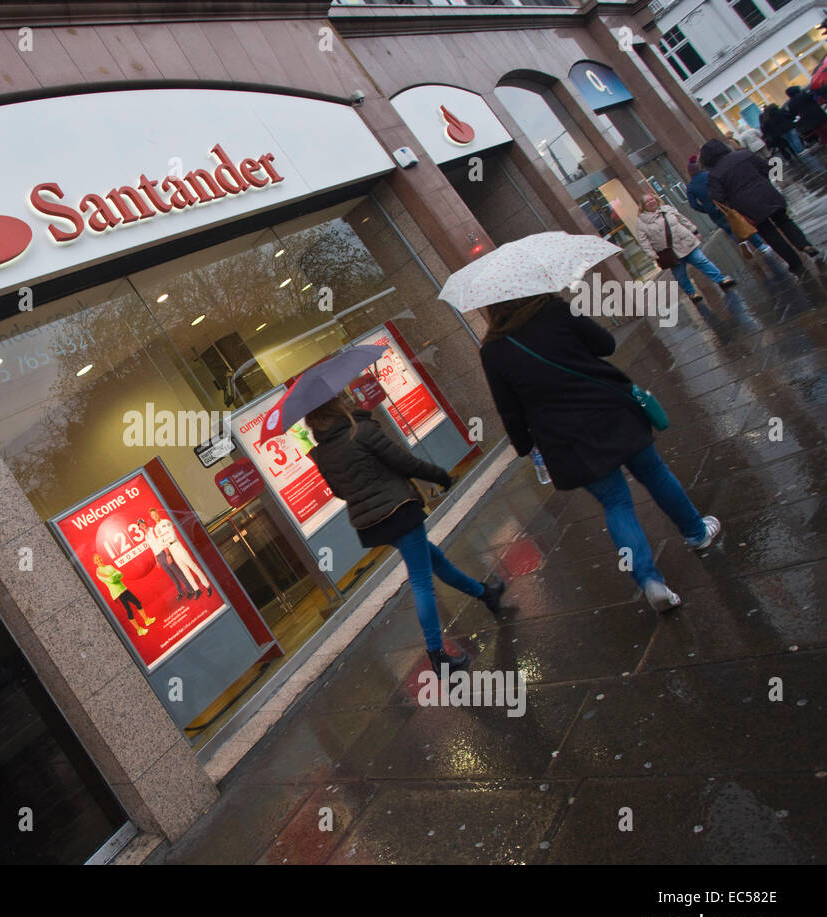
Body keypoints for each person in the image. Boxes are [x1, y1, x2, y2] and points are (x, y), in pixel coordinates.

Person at [478, 293, 721, 613]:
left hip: (566, 438)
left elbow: (509, 409)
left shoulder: (492, 350)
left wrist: (525, 446)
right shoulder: (553, 309)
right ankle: (697, 533)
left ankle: (650, 581)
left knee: (616, 503)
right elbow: (605, 344)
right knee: (655, 473)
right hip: (609, 410)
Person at [306, 395, 503, 674]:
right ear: (336, 407)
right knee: (422, 582)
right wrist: (441, 476)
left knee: (435, 560)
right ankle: (438, 656)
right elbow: (405, 462)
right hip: (399, 511)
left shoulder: (323, 453)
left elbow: (340, 491)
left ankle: (485, 594)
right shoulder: (360, 431)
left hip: (373, 523)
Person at [702, 137, 821, 276]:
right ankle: (804, 244)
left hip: (747, 207)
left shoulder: (714, 175)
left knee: (769, 233)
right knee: (784, 221)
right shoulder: (744, 154)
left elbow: (718, 197)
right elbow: (767, 169)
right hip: (767, 194)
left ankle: (794, 262)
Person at [633, 191, 736, 303]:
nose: (650, 202)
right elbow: (643, 241)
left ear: (656, 199)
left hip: (685, 242)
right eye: (647, 202)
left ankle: (721, 280)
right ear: (643, 206)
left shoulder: (667, 209)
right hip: (670, 252)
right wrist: (651, 254)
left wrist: (694, 230)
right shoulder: (641, 222)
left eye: (651, 199)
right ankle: (692, 294)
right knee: (680, 275)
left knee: (702, 261)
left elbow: (682, 220)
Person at [685, 156, 768, 253]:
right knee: (741, 224)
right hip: (725, 205)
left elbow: (694, 205)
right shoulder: (710, 174)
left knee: (729, 229)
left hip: (713, 212)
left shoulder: (690, 187)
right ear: (699, 167)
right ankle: (761, 246)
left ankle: (741, 243)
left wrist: (706, 209)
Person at [149, 507, 212, 598]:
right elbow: (160, 542)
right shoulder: (156, 529)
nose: (155, 516)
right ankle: (196, 590)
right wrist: (165, 541)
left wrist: (165, 540)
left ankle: (207, 585)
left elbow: (172, 536)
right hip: (171, 550)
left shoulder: (166, 522)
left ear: (158, 514)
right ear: (152, 517)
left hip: (177, 546)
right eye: (153, 515)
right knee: (185, 571)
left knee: (192, 566)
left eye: (155, 514)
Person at [93, 553, 155, 636]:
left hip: (123, 589)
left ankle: (146, 620)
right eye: (97, 560)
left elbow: (120, 574)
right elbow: (111, 580)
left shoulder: (109, 567)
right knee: (129, 610)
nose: (99, 560)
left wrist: (114, 576)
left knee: (137, 603)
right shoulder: (98, 572)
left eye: (99, 558)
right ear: (95, 562)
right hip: (117, 594)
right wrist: (114, 576)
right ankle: (139, 630)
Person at [138, 516, 193, 600]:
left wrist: (168, 555)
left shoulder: (153, 530)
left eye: (142, 523)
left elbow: (163, 541)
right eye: (140, 524)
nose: (142, 525)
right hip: (159, 557)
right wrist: (157, 560)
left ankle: (190, 590)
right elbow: (152, 548)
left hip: (164, 553)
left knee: (177, 572)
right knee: (172, 576)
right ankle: (181, 592)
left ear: (145, 523)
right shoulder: (146, 536)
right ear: (139, 527)